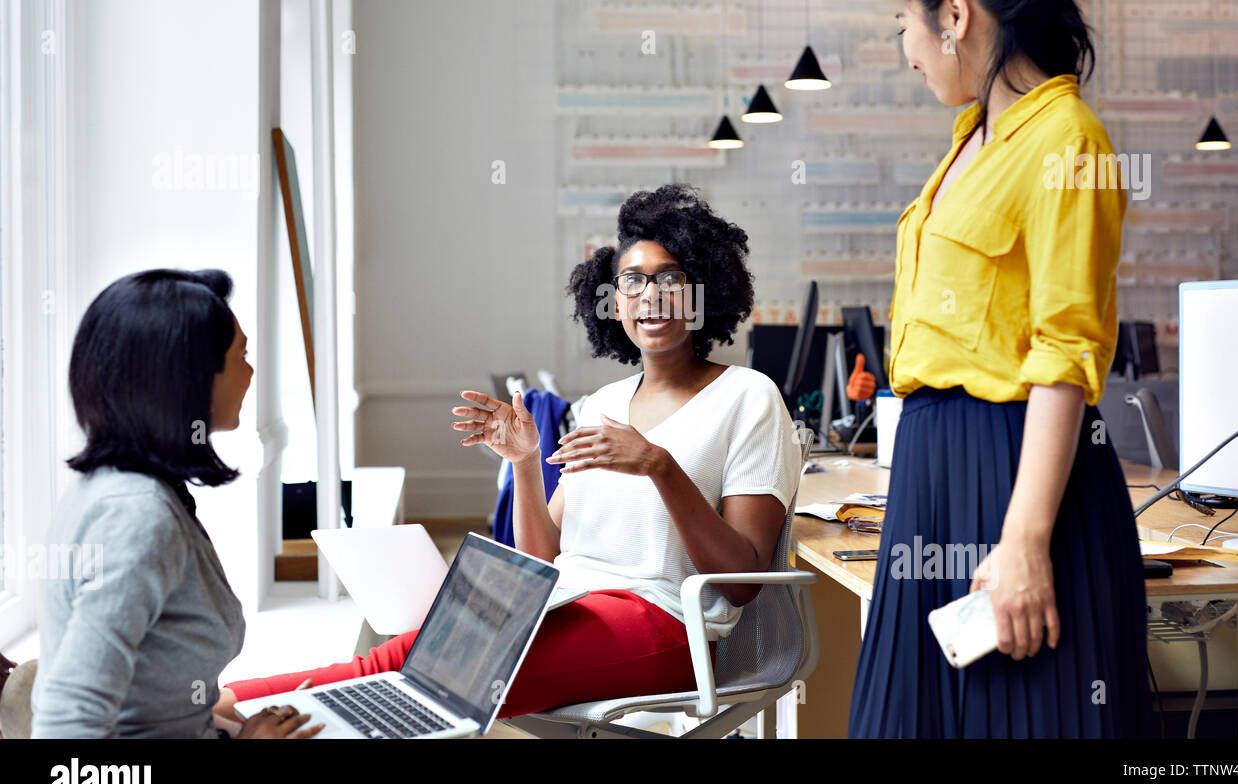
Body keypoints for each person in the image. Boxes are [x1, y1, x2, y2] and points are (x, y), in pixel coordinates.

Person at [216, 184, 803, 720]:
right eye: (632, 280)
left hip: (666, 626)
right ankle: (212, 712)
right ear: (614, 300)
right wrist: (525, 463)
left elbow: (741, 581)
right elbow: (544, 557)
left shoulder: (748, 397)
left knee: (421, 674)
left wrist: (658, 465)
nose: (651, 295)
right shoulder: (602, 404)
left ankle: (214, 717)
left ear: (703, 291)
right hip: (566, 601)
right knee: (400, 658)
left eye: (670, 278)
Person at [848, 0, 1153, 737]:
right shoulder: (969, 142)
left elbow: (1065, 354)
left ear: (954, 13)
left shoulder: (1067, 140)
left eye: (903, 23)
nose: (903, 48)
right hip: (933, 471)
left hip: (1016, 470)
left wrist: (1023, 544)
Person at [31, 269, 320, 739]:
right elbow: (68, 740)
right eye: (240, 355)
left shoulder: (123, 487)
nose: (250, 372)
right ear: (189, 378)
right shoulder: (136, 516)